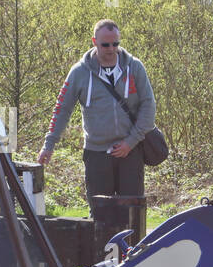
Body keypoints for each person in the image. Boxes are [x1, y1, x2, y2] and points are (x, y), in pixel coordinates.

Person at [36, 19, 156, 252]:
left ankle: (135, 264)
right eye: (105, 45)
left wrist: (130, 142)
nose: (111, 50)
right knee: (100, 215)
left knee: (132, 214)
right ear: (94, 43)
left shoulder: (135, 67)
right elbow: (62, 109)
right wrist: (49, 144)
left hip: (131, 152)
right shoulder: (79, 72)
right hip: (97, 154)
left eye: (115, 44)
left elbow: (148, 107)